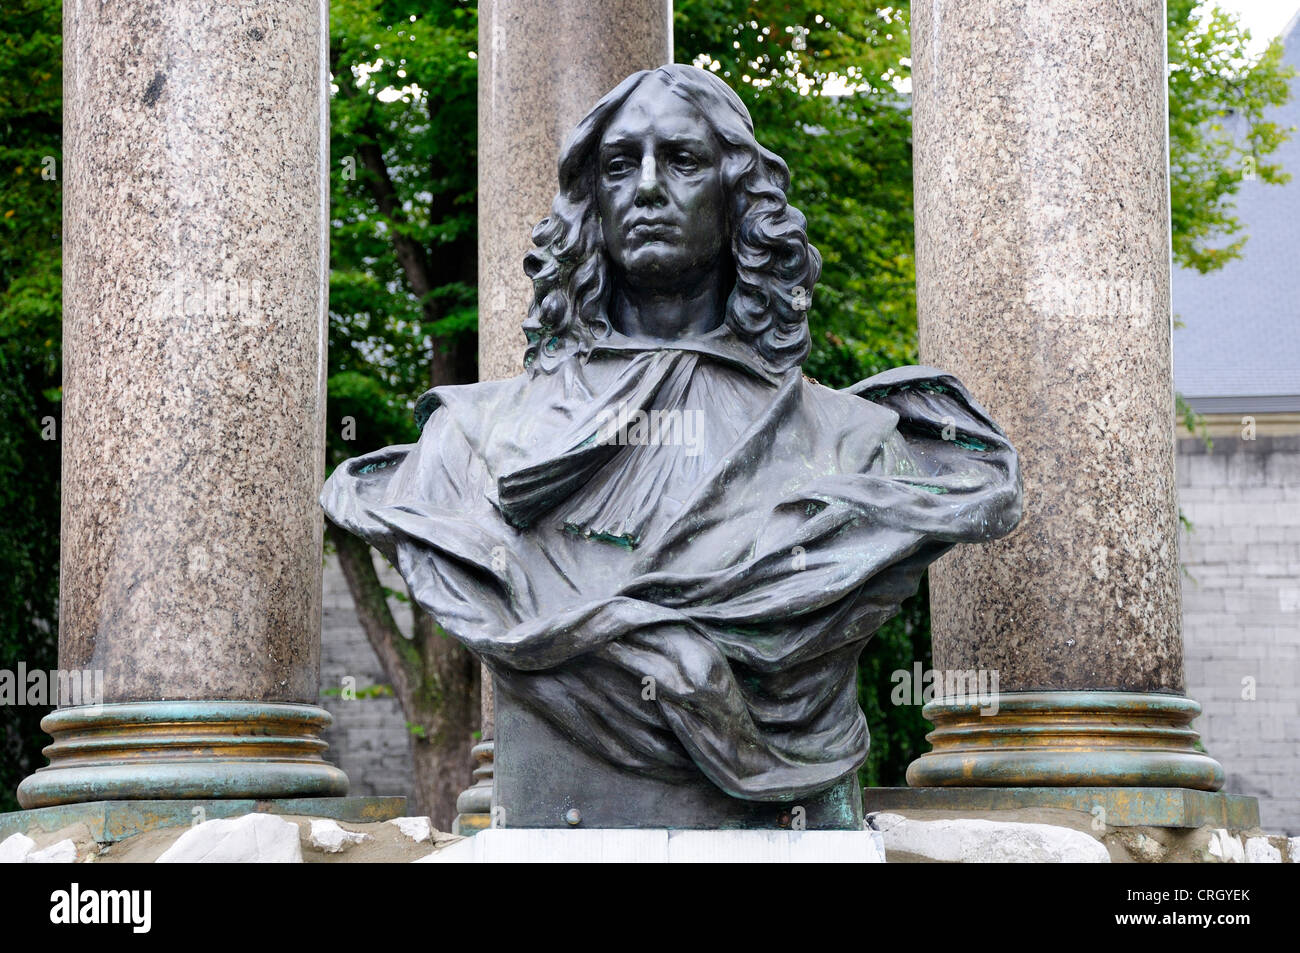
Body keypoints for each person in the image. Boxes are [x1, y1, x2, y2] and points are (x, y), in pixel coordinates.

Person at [322, 64, 1022, 803]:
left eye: (682, 159)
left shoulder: (855, 444)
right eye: (620, 166)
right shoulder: (467, 442)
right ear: (592, 201)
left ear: (738, 193)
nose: (647, 187)